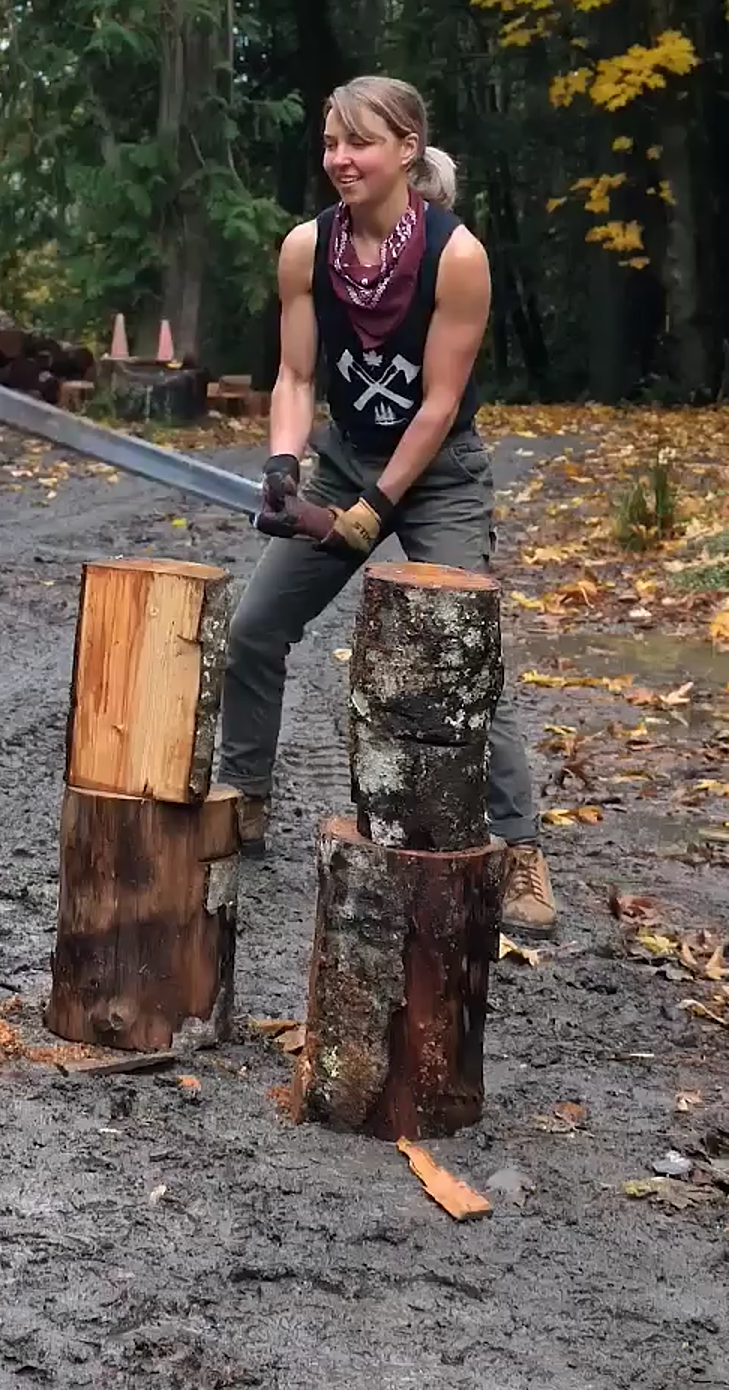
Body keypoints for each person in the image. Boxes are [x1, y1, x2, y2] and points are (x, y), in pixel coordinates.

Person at [216, 75, 556, 937]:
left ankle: (517, 851)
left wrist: (375, 508)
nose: (339, 159)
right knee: (255, 629)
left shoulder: (457, 256)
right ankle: (243, 800)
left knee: (465, 657)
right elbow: (296, 376)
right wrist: (285, 465)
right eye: (330, 143)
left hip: (438, 470)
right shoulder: (306, 248)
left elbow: (439, 406)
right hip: (341, 457)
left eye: (358, 142)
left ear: (408, 149)